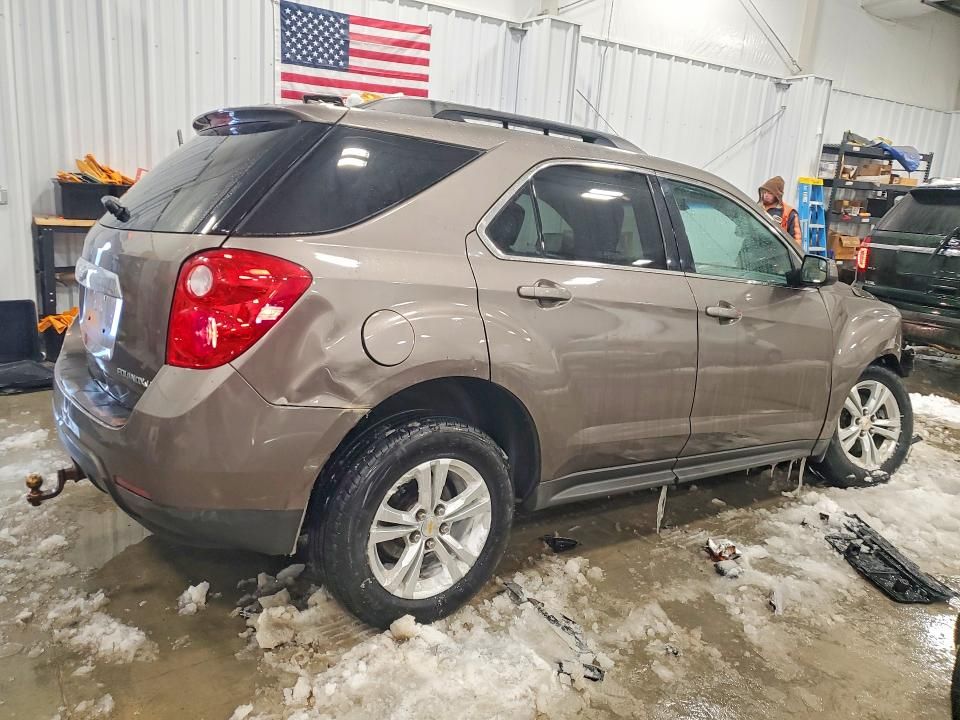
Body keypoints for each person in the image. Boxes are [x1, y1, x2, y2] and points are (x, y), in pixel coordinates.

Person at [758, 176, 802, 246]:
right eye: (765, 192)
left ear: (778, 195)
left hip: (775, 253)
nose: (766, 195)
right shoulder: (757, 207)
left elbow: (797, 241)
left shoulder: (790, 213)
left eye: (770, 193)